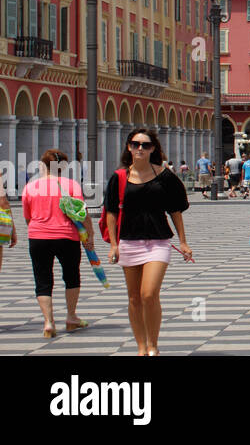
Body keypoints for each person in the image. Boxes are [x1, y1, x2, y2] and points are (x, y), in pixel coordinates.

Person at [104, 128, 192, 355]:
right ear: (128, 147)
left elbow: (175, 210)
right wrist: (114, 244)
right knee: (134, 297)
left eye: (145, 145)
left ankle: (153, 344)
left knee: (148, 294)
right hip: (129, 241)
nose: (140, 149)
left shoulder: (164, 176)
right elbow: (111, 212)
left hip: (158, 241)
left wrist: (183, 241)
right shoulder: (120, 177)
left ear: (154, 148)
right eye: (135, 144)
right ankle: (141, 346)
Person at [22, 150, 87, 338]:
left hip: (38, 236)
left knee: (42, 279)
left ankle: (49, 322)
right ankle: (71, 316)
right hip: (67, 236)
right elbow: (81, 213)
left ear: (42, 165)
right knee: (71, 276)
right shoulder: (71, 185)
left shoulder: (31, 187)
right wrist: (88, 235)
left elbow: (27, 216)